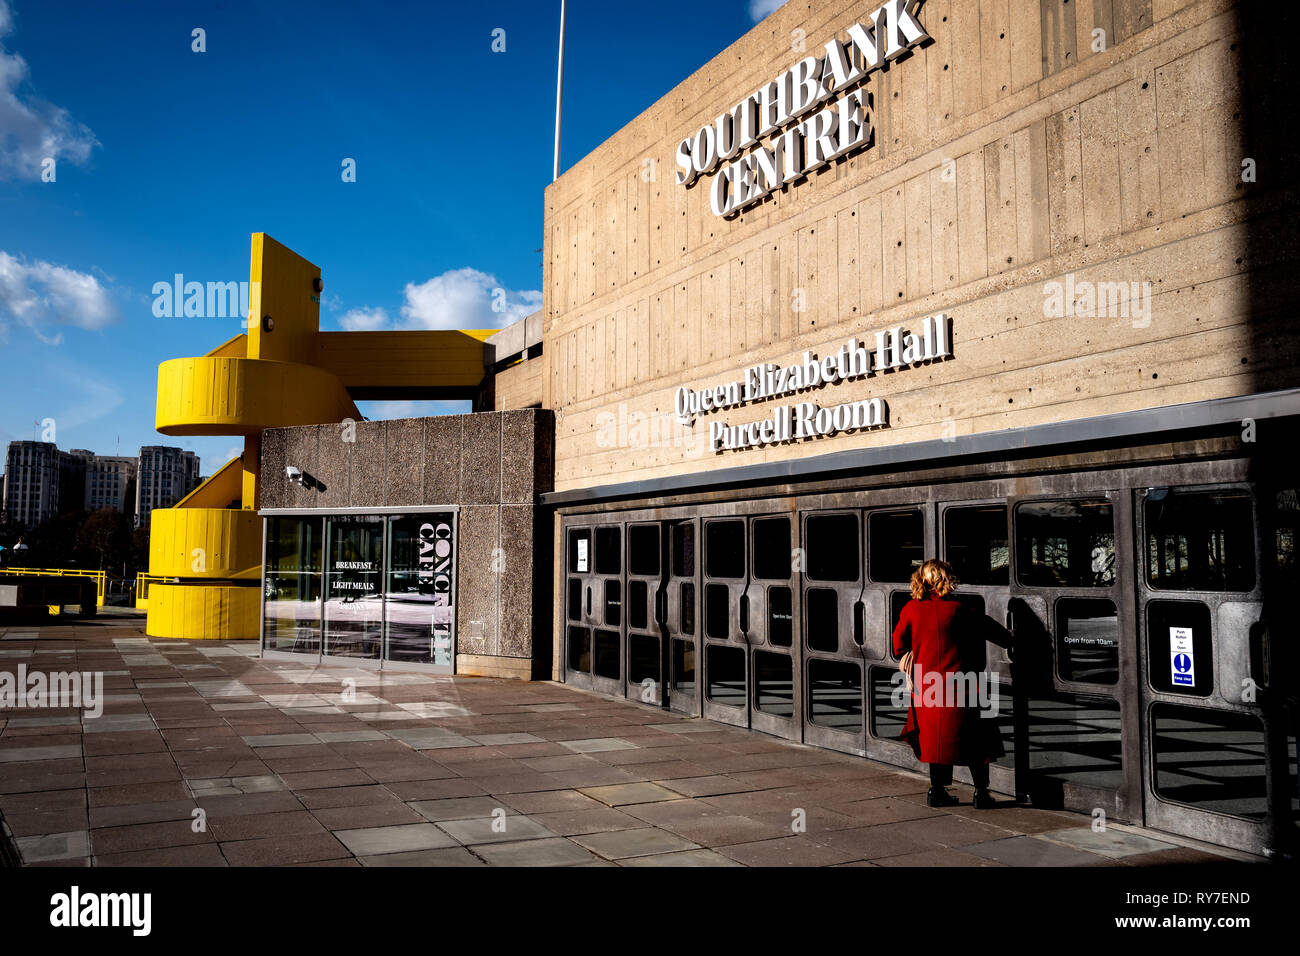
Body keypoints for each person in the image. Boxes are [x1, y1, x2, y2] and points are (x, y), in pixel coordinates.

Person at [891, 558, 1011, 809]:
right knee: (977, 740)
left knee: (936, 741)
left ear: (921, 581)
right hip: (964, 685)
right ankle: (981, 793)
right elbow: (999, 635)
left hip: (928, 687)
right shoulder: (963, 609)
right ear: (947, 579)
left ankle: (937, 791)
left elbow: (897, 643)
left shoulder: (912, 609)